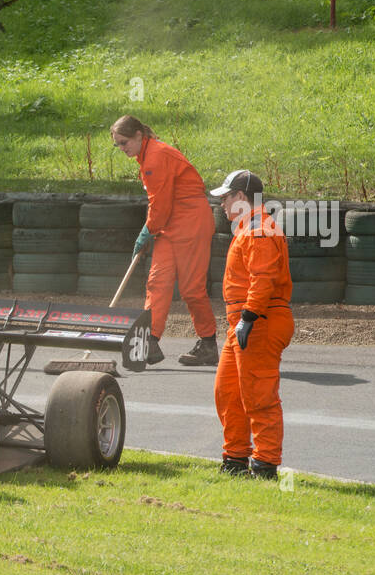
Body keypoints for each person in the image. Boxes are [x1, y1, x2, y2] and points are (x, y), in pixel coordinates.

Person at [111, 115, 218, 367]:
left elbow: (160, 203)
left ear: (139, 136)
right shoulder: (147, 155)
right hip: (169, 224)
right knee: (157, 282)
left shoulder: (155, 157)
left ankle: (208, 343)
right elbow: (159, 205)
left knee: (192, 289)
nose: (122, 149)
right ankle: (150, 340)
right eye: (118, 145)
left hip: (190, 222)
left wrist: (148, 230)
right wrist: (151, 229)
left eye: (124, 142)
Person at [210, 169, 294, 479]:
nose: (222, 204)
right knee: (228, 393)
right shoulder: (250, 227)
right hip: (246, 322)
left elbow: (263, 279)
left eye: (226, 197)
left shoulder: (258, 229)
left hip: (260, 320)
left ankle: (265, 466)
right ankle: (235, 460)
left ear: (241, 198)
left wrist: (248, 317)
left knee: (259, 397)